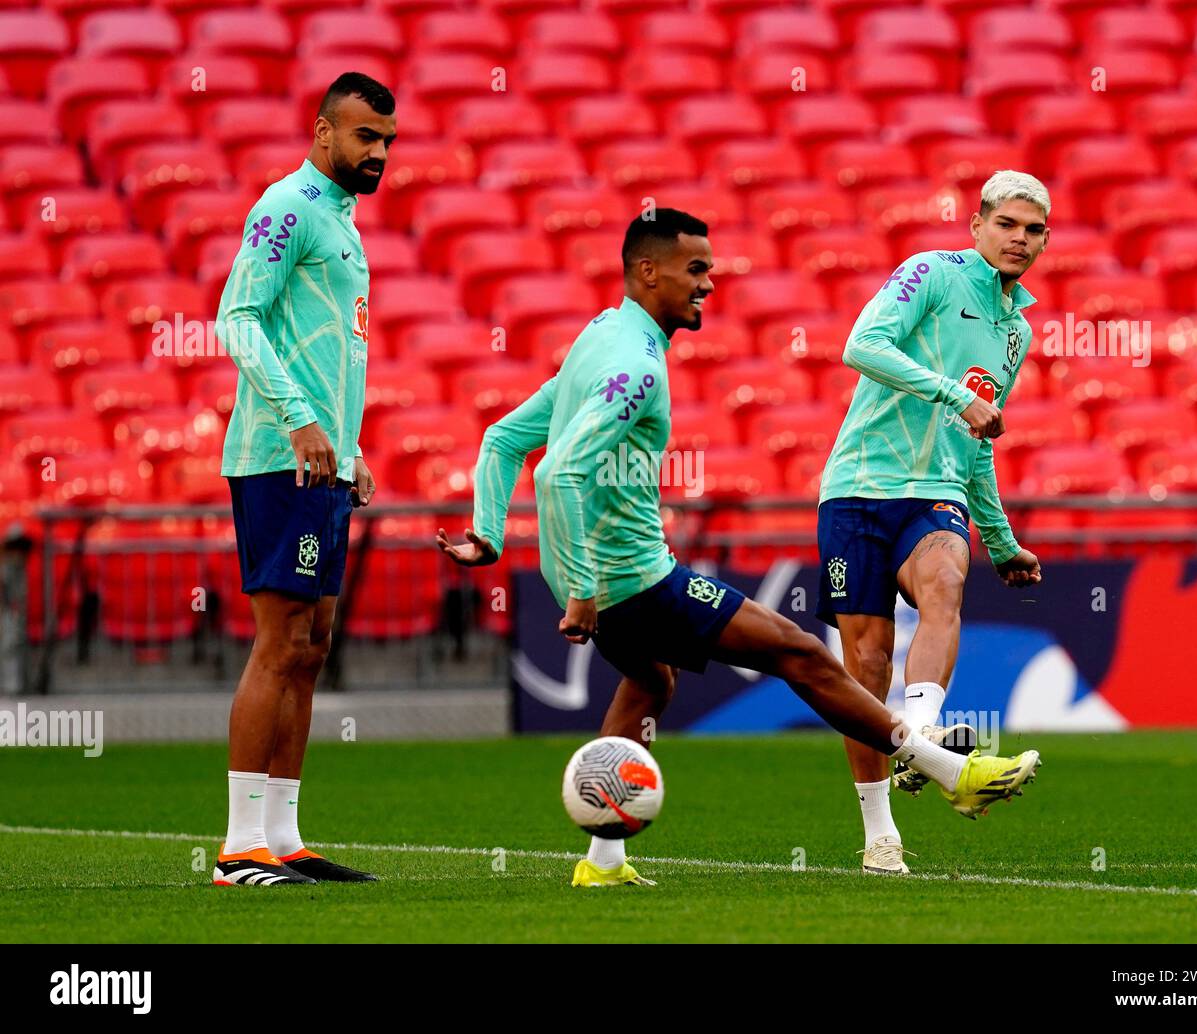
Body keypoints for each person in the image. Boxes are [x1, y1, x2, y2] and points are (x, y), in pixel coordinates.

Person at [439, 208, 1041, 888]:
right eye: (695, 271)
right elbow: (558, 472)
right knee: (803, 653)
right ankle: (951, 772)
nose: (708, 285)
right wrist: (582, 586)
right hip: (632, 578)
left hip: (595, 579)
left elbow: (504, 440)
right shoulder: (636, 367)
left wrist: (489, 532)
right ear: (647, 271)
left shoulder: (598, 339)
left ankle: (603, 860)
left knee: (650, 681)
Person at [817, 170, 1050, 875]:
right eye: (1006, 223)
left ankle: (917, 738)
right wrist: (954, 393)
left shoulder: (1017, 332)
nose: (1018, 239)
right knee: (864, 665)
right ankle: (880, 831)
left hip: (935, 491)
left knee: (946, 580)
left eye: (1033, 229)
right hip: (857, 485)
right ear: (976, 225)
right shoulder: (930, 274)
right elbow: (861, 345)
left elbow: (977, 441)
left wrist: (1003, 542)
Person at [212, 72, 396, 886]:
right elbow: (236, 318)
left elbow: (336, 354)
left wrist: (347, 450)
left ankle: (283, 838)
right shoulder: (287, 207)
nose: (378, 153)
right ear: (323, 132)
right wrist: (299, 420)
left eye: (387, 141)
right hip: (277, 457)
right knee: (280, 641)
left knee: (313, 646)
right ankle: (238, 846)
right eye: (364, 137)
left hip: (323, 464)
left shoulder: (343, 224)